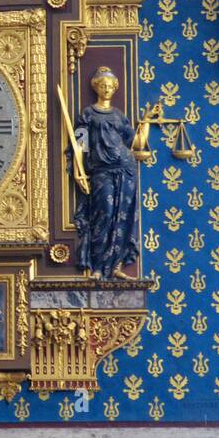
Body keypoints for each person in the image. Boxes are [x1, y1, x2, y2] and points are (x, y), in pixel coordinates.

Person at [72, 66, 141, 279]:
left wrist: (146, 121)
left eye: (111, 86)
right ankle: (98, 267)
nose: (107, 89)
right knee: (104, 215)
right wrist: (78, 171)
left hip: (126, 169)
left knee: (123, 218)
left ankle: (116, 266)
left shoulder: (120, 116)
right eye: (103, 85)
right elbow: (80, 146)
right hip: (102, 171)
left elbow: (136, 142)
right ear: (96, 88)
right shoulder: (88, 114)